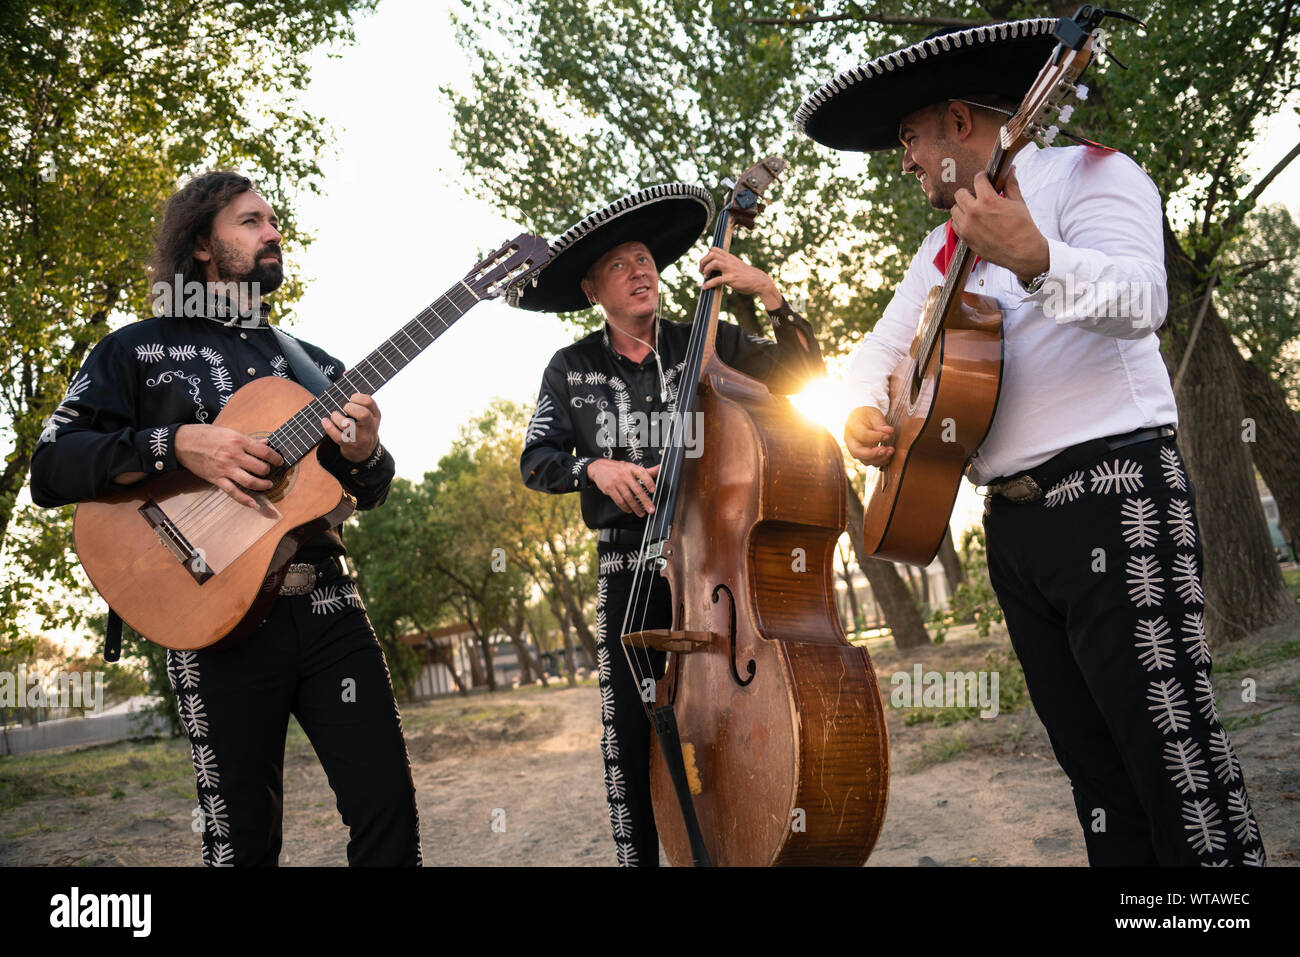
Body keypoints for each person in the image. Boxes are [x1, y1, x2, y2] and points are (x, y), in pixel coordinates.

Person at [797, 17, 1266, 866]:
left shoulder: (1095, 174)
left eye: (909, 137)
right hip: (1014, 531)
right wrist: (860, 412)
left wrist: (1039, 259)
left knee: (1176, 759)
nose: (903, 160)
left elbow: (1143, 300)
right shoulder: (936, 250)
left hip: (1116, 497)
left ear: (960, 122)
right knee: (1094, 778)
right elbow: (869, 363)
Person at [29, 170, 421, 867]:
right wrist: (175, 442)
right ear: (203, 246)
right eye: (251, 221)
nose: (273, 232)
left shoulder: (313, 365)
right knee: (240, 841)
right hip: (210, 615)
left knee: (388, 808)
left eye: (273, 221)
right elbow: (52, 466)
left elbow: (373, 485)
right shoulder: (135, 349)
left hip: (329, 607)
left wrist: (365, 452)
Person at [513, 183, 824, 865]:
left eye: (645, 258)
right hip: (628, 567)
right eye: (620, 264)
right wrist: (592, 468)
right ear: (593, 287)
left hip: (719, 568)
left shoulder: (707, 343)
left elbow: (806, 371)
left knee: (728, 727)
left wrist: (767, 293)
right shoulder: (571, 370)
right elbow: (536, 460)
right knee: (628, 735)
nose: (641, 269)